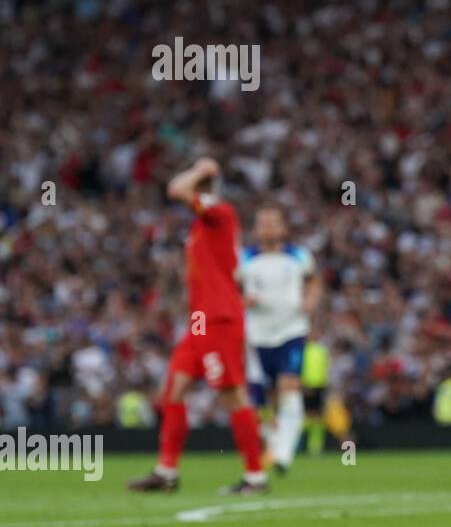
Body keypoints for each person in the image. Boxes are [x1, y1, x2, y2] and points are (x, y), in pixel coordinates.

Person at [127, 158, 266, 495]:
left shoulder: (220, 214)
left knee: (231, 395)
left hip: (219, 318)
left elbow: (176, 188)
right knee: (173, 390)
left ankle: (255, 476)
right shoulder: (202, 225)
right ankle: (167, 472)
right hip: (200, 320)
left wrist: (202, 170)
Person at [238, 205, 321, 474]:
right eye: (263, 223)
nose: (269, 228)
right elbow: (229, 291)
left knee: (289, 386)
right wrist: (243, 301)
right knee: (260, 399)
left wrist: (310, 300)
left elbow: (314, 281)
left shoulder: (298, 256)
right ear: (256, 229)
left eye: (274, 223)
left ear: (284, 228)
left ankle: (283, 454)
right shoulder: (245, 259)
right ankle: (273, 443)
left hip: (290, 331)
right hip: (257, 335)